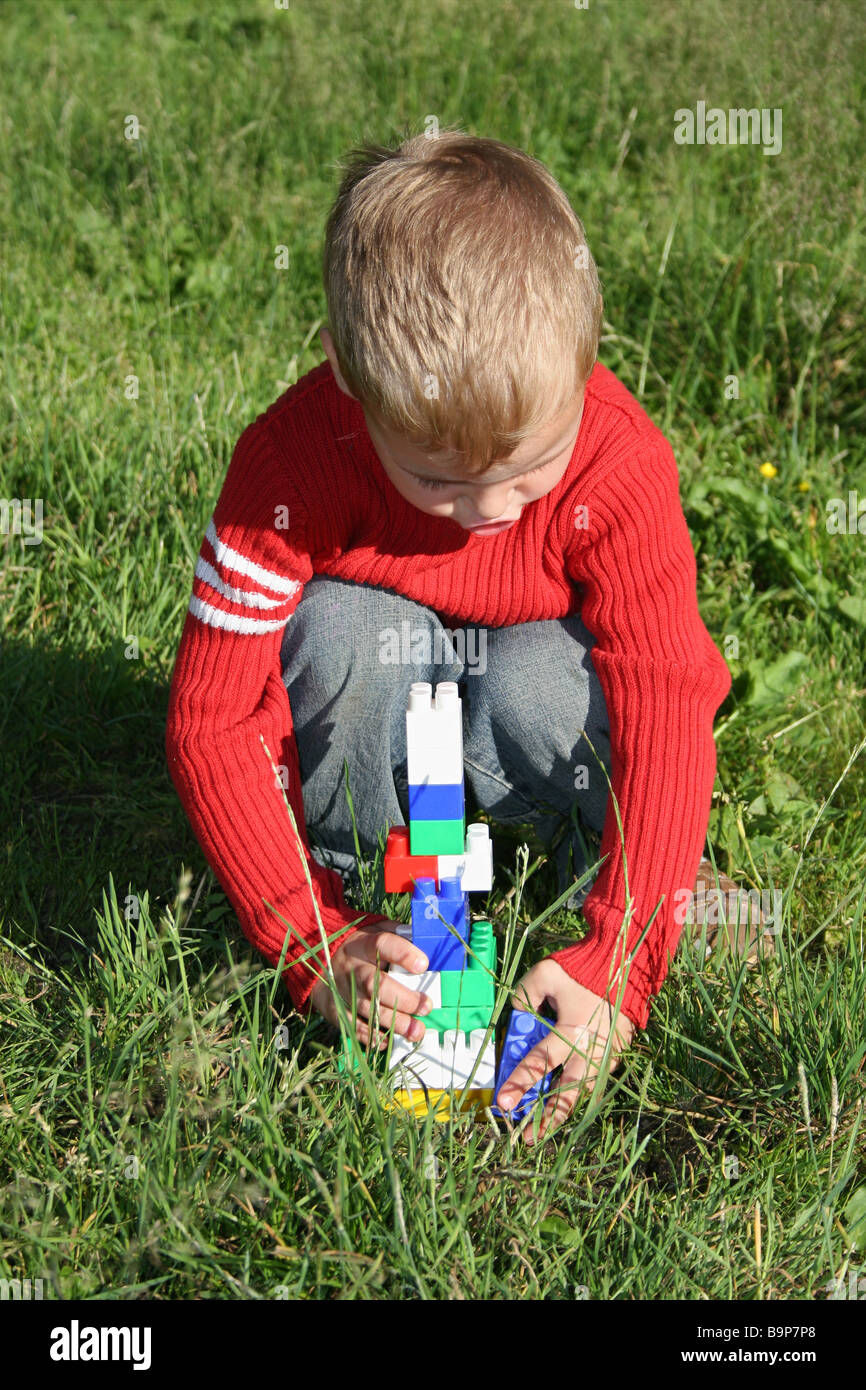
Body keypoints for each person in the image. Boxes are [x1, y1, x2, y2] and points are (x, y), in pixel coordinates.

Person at [165, 129, 768, 1143]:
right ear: (346, 380)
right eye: (437, 478)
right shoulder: (287, 466)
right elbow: (213, 719)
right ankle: (363, 893)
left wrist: (620, 961)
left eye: (529, 469)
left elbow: (663, 696)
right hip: (376, 716)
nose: (489, 510)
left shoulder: (618, 465)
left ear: (586, 363)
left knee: (549, 683)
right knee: (336, 628)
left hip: (511, 695)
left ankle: (624, 871)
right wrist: (309, 939)